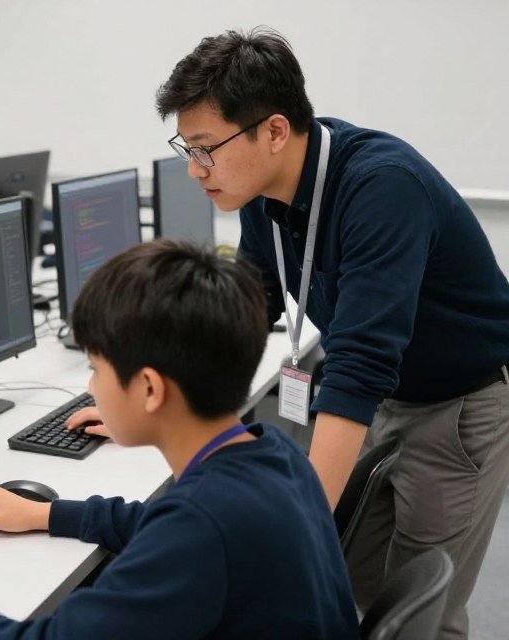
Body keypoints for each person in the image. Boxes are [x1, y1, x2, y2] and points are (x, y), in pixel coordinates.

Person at [58, 28, 509, 640]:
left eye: (205, 148)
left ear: (273, 131)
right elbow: (244, 309)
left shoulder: (381, 185)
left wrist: (293, 525)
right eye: (186, 148)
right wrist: (150, 406)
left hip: (457, 403)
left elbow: (359, 359)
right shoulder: (260, 189)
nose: (195, 170)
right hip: (383, 394)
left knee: (425, 617)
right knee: (345, 574)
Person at [0, 240, 359, 640]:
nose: (89, 388)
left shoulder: (199, 528)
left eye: (95, 369)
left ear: (150, 389)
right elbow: (165, 523)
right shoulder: (274, 453)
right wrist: (45, 513)